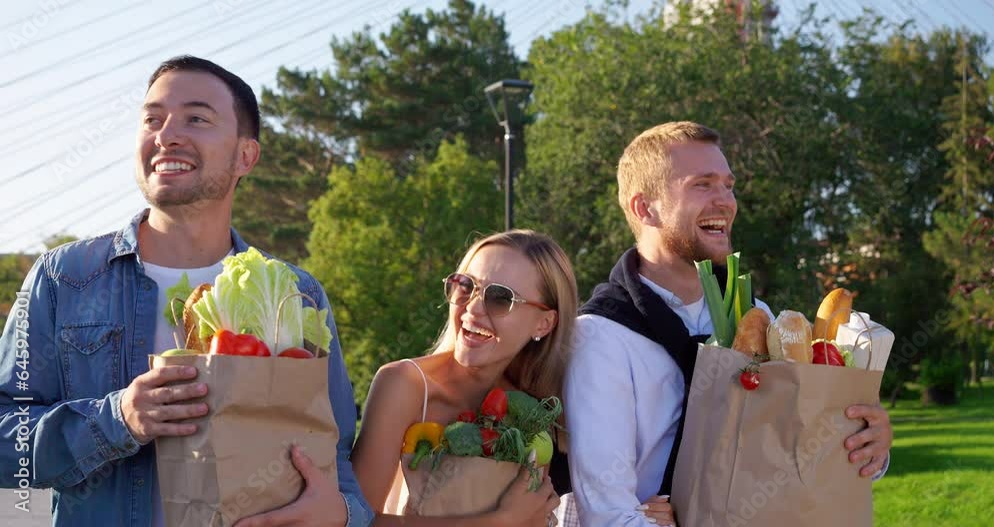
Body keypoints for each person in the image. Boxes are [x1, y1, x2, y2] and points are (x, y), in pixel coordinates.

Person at [0, 56, 373, 527]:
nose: (166, 135)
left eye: (196, 118)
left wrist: (341, 513)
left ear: (245, 156)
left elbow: (336, 456)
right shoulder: (63, 278)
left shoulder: (293, 294)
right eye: (152, 119)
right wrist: (118, 418)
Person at [564, 121, 893, 526]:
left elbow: (793, 448)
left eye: (728, 185)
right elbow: (607, 513)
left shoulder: (760, 318)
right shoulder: (601, 338)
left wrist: (869, 446)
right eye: (702, 185)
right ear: (644, 208)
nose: (726, 201)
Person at [237, 230, 575, 527]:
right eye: (466, 286)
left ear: (544, 323)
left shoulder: (534, 414)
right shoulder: (405, 385)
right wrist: (494, 523)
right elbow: (357, 520)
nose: (472, 309)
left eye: (500, 298)